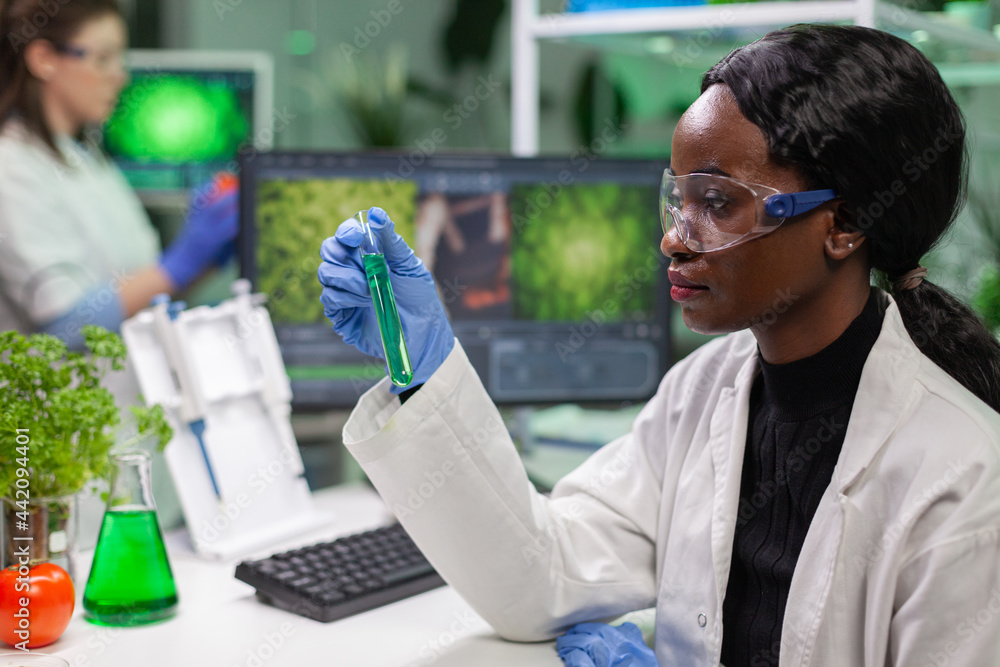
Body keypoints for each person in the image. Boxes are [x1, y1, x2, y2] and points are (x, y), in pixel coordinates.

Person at [318, 24, 1000, 667]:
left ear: (844, 222)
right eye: (679, 199)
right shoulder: (700, 394)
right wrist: (421, 366)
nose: (676, 236)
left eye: (719, 202)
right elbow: (545, 575)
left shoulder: (965, 479)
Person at [0, 0, 237, 347]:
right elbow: (66, 326)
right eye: (103, 59)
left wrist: (206, 257)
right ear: (43, 59)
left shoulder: (89, 160)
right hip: (61, 398)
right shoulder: (12, 167)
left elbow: (139, 291)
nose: (121, 75)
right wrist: (180, 262)